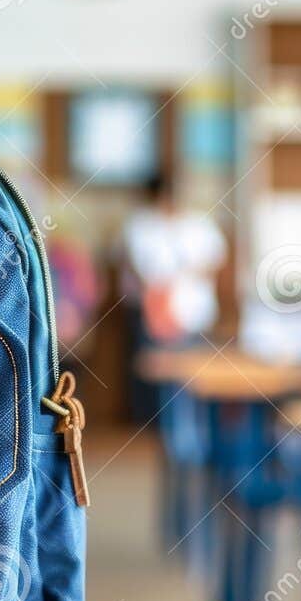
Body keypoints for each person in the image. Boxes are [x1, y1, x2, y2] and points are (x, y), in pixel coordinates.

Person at [120, 173, 226, 419]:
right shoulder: (142, 226)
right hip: (160, 316)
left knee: (197, 380)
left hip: (195, 316)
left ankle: (193, 436)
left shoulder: (199, 223)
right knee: (165, 381)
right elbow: (140, 271)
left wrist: (188, 273)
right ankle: (173, 436)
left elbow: (216, 260)